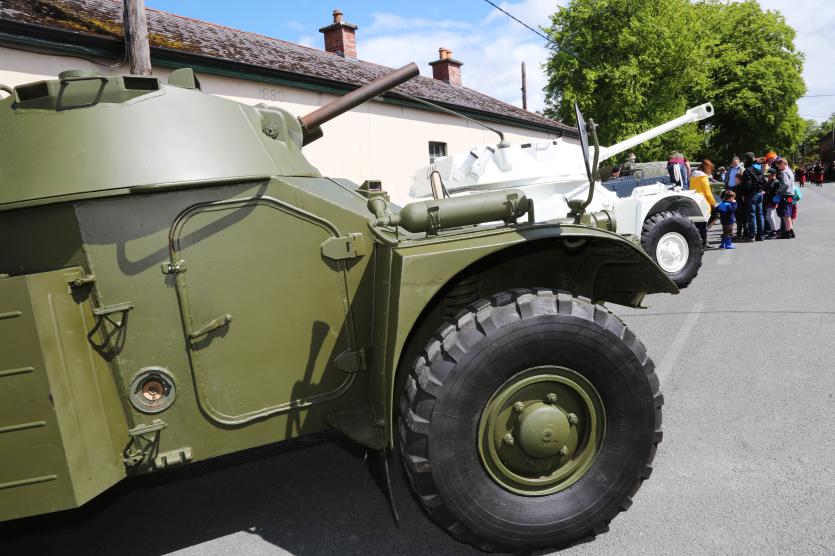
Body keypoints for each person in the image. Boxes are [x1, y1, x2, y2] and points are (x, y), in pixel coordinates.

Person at [740, 152, 765, 241]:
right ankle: (761, 235)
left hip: (751, 195)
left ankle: (752, 235)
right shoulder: (760, 168)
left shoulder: (747, 170)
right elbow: (763, 181)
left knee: (751, 215)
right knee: (760, 214)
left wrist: (743, 194)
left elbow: (747, 185)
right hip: (759, 193)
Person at [774, 157, 795, 238]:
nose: (778, 168)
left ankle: (787, 232)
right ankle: (791, 231)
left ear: (782, 164)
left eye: (778, 166)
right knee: (788, 214)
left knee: (785, 215)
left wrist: (778, 191)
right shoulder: (790, 171)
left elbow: (785, 184)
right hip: (790, 194)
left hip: (785, 194)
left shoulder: (784, 172)